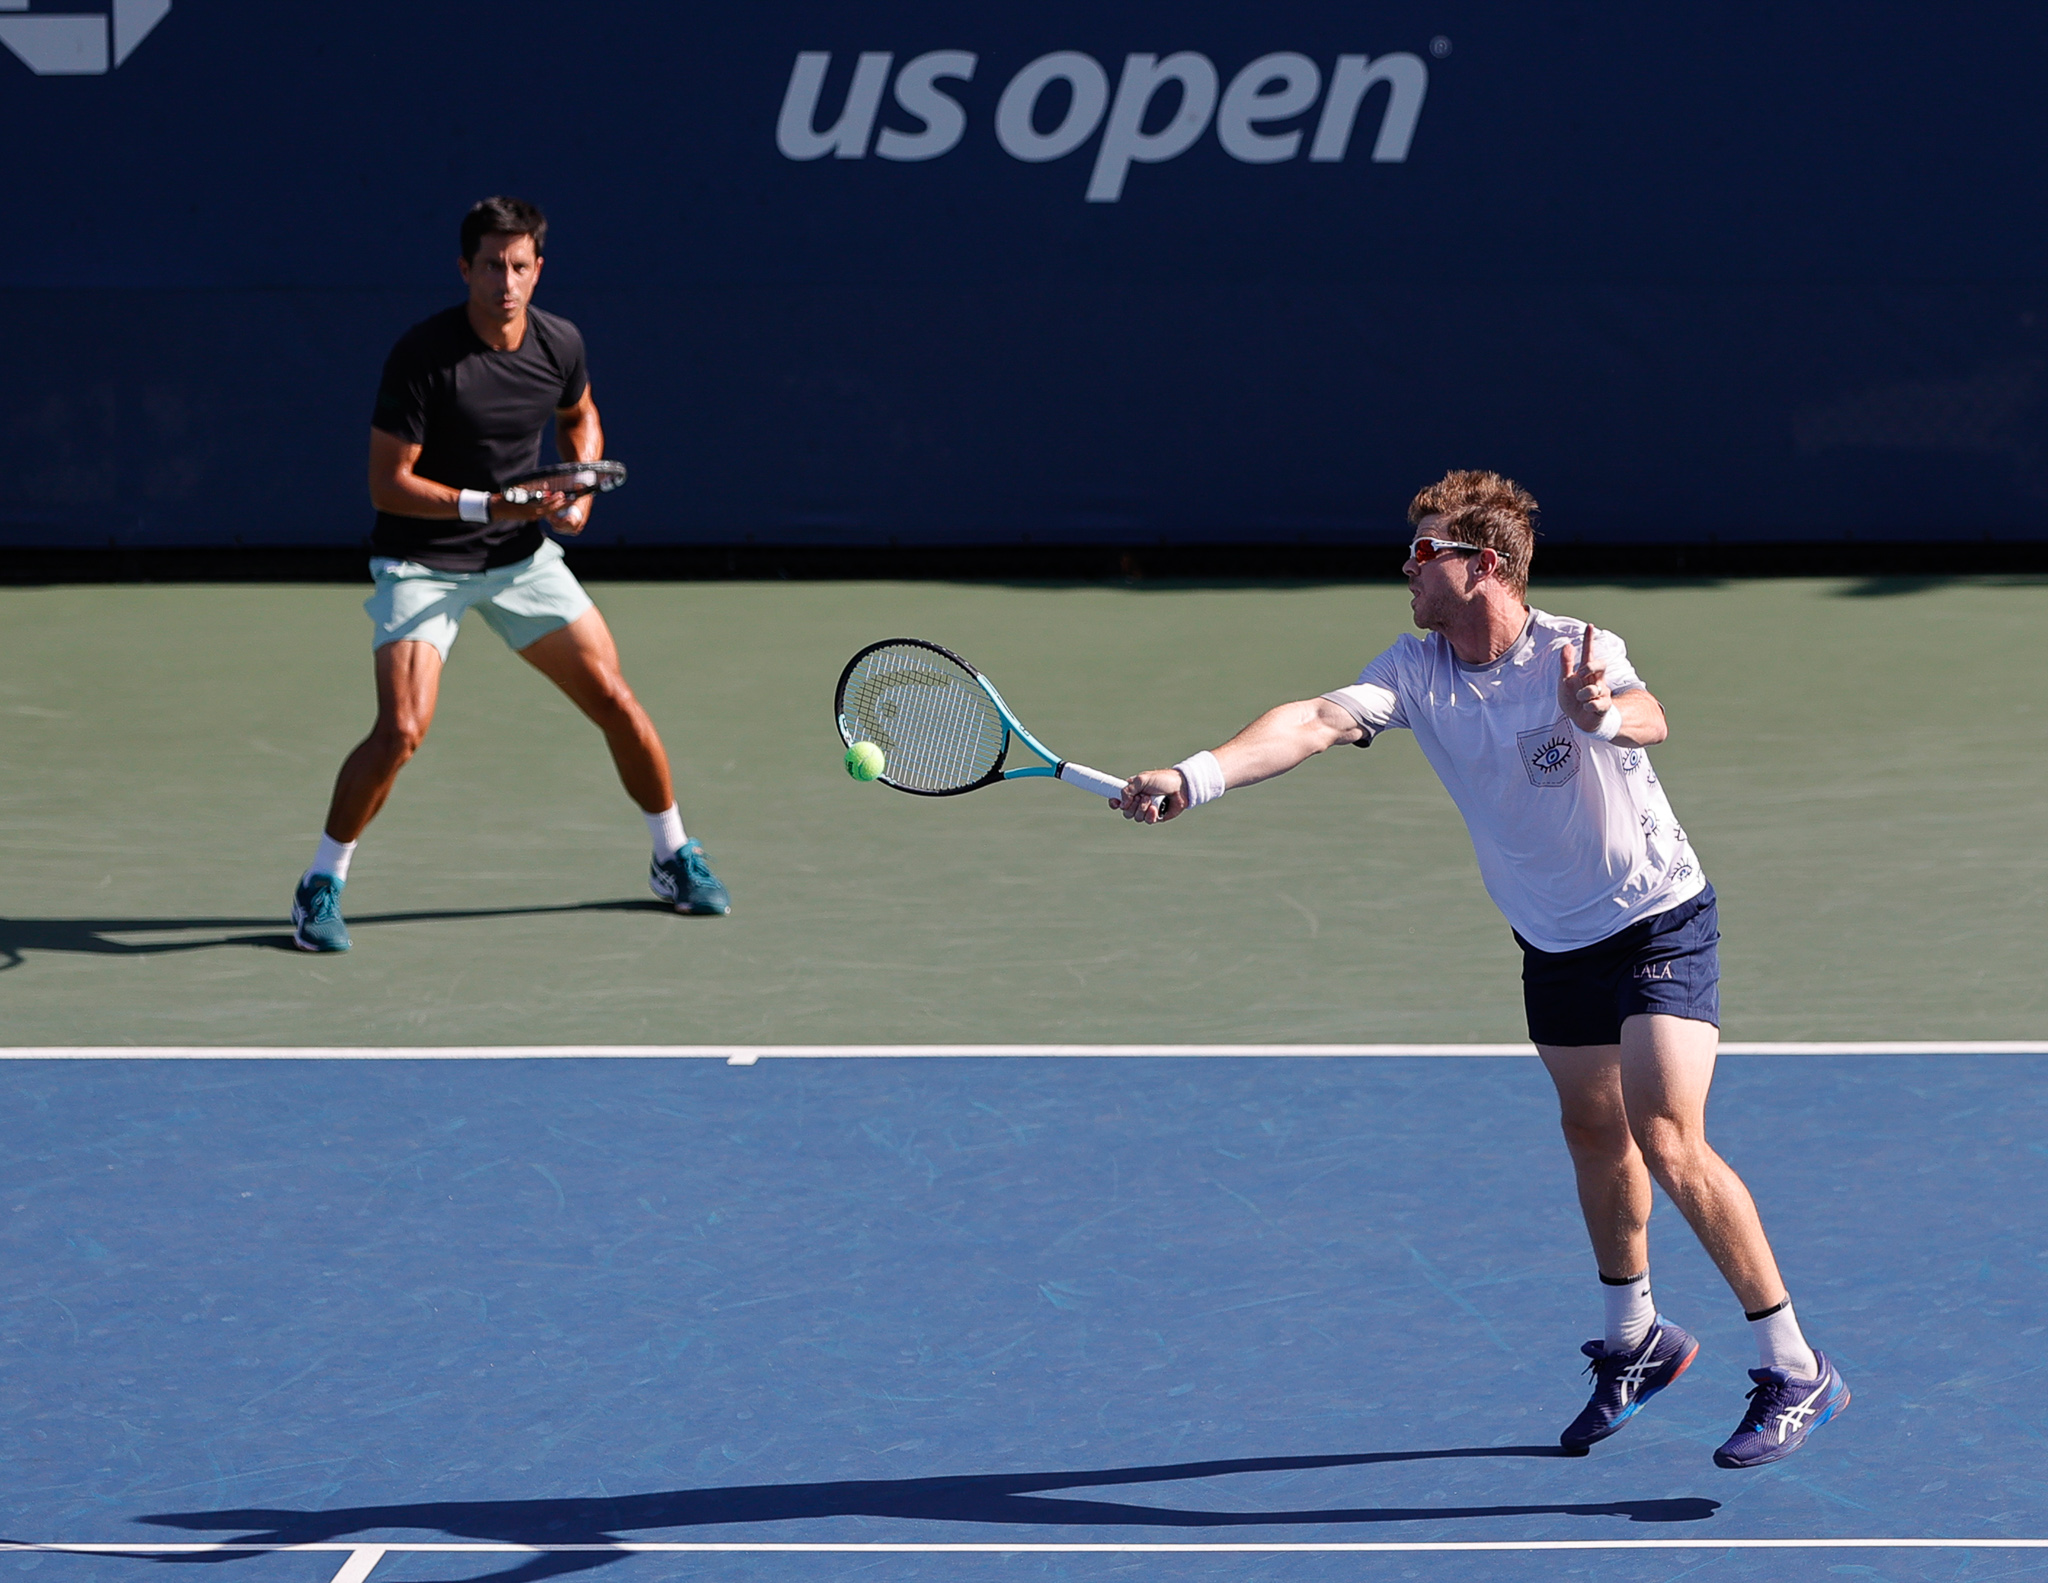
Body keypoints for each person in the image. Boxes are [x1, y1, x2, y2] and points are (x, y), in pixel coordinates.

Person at [1111, 470, 1848, 1469]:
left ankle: (1793, 1363)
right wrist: (1194, 775)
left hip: (1655, 920)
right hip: (1551, 939)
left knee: (1666, 1134)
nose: (1403, 569)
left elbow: (1645, 713)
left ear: (1480, 565)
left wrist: (1598, 712)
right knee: (1592, 1132)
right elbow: (1313, 720)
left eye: (1421, 554)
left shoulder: (1571, 648)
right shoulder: (1413, 669)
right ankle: (1634, 1340)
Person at [290, 196, 729, 953]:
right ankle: (321, 882)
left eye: (520, 265)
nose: (505, 281)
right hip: (423, 561)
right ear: (465, 268)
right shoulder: (422, 356)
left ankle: (673, 854)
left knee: (617, 701)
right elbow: (387, 484)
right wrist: (486, 504)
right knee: (400, 729)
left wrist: (580, 485)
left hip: (521, 559)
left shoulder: (559, 342)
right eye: (491, 264)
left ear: (538, 270)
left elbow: (579, 411)